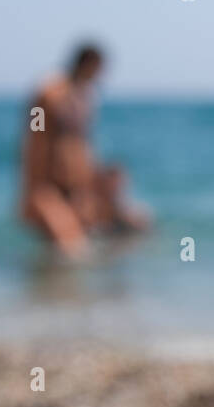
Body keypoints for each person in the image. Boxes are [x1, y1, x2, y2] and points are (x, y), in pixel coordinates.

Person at [19, 43, 150, 254]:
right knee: (72, 250)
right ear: (89, 65)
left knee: (135, 225)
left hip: (79, 189)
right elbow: (36, 139)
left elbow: (82, 145)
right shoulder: (49, 93)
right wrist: (35, 189)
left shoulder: (82, 95)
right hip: (51, 188)